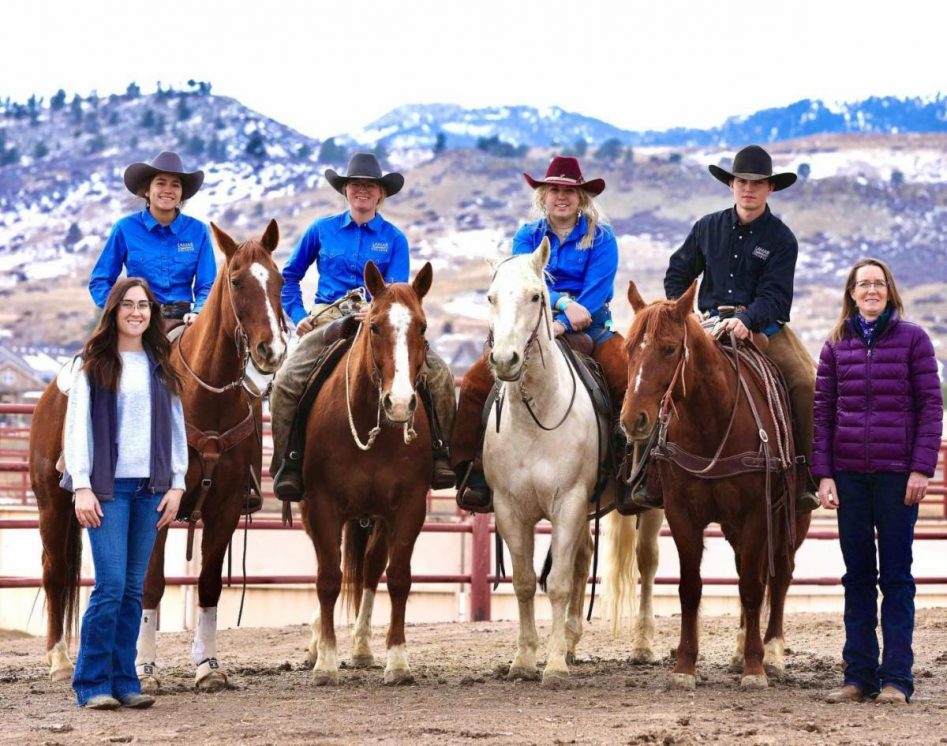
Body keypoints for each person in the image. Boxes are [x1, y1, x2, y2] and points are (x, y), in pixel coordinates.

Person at [635, 144, 819, 512]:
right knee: (654, 371)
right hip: (706, 324)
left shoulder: (781, 239)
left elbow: (776, 297)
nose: (748, 188)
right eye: (741, 181)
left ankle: (805, 477)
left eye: (757, 182)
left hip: (765, 328)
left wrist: (746, 320)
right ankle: (647, 474)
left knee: (804, 383)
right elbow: (678, 273)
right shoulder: (707, 228)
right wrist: (684, 316)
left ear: (770, 188)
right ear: (731, 185)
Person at [270, 153, 456, 498]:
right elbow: (289, 277)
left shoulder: (394, 238)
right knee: (285, 381)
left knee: (441, 376)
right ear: (345, 190)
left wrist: (374, 310)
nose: (362, 191)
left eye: (370, 186)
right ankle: (288, 461)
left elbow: (397, 291)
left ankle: (441, 454)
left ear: (381, 194)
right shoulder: (320, 230)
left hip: (382, 322)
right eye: (356, 185)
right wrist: (298, 316)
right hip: (329, 319)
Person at [452, 155, 627, 511]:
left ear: (581, 197)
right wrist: (560, 306)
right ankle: (472, 471)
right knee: (473, 384)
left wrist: (567, 321)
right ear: (543, 196)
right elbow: (522, 280)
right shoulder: (527, 235)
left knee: (625, 376)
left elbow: (596, 292)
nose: (561, 197)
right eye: (554, 190)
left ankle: (627, 471)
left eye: (569, 191)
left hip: (591, 325)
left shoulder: (601, 238)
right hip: (530, 325)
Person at [814, 258, 943, 705]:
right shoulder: (835, 345)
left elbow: (931, 407)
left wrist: (921, 468)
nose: (871, 290)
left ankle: (896, 679)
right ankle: (859, 676)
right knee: (857, 578)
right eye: (863, 284)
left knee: (897, 577)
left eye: (879, 283)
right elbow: (822, 415)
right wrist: (824, 474)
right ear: (851, 293)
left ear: (889, 291)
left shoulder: (913, 340)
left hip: (896, 477)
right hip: (849, 476)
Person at [63, 278, 188, 709]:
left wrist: (178, 484)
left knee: (134, 589)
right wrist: (82, 486)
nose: (137, 312)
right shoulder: (93, 364)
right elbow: (77, 429)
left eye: (144, 306)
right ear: (114, 310)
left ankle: (124, 680)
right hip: (108, 490)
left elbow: (176, 428)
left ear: (152, 313)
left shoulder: (160, 364)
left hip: (151, 489)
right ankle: (92, 683)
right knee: (111, 586)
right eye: (128, 305)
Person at [89, 151, 215, 324]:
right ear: (147, 190)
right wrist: (121, 310)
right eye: (161, 183)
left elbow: (208, 284)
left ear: (181, 193)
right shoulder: (125, 228)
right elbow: (100, 281)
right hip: (138, 320)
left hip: (185, 321)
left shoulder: (198, 231)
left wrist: (198, 312)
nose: (168, 190)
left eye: (175, 185)